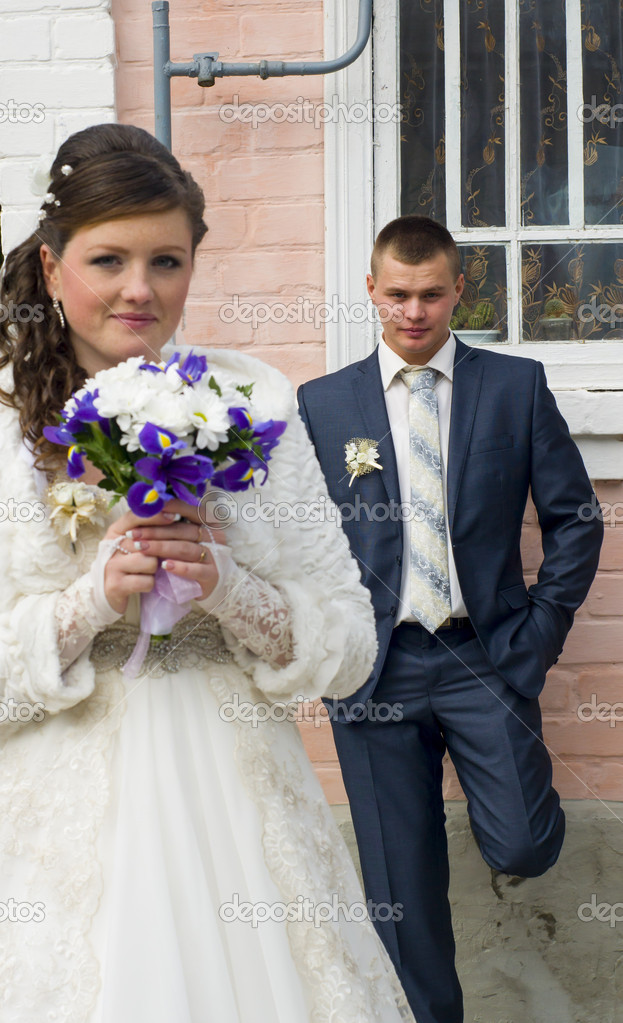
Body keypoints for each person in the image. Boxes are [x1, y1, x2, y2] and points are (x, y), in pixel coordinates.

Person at [0, 124, 416, 1023]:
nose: (139, 290)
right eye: (107, 259)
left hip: (238, 805)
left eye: (168, 260)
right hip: (59, 822)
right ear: (49, 265)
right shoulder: (2, 422)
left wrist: (229, 587)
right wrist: (89, 600)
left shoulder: (255, 400)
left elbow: (347, 643)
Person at [297, 214, 604, 1023]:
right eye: (396, 294)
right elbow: (301, 538)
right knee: (402, 889)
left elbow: (574, 518)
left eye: (431, 293)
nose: (413, 311)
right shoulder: (324, 405)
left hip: (486, 656)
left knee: (521, 845)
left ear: (459, 291)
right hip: (374, 669)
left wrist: (537, 635)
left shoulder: (514, 386)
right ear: (371, 291)